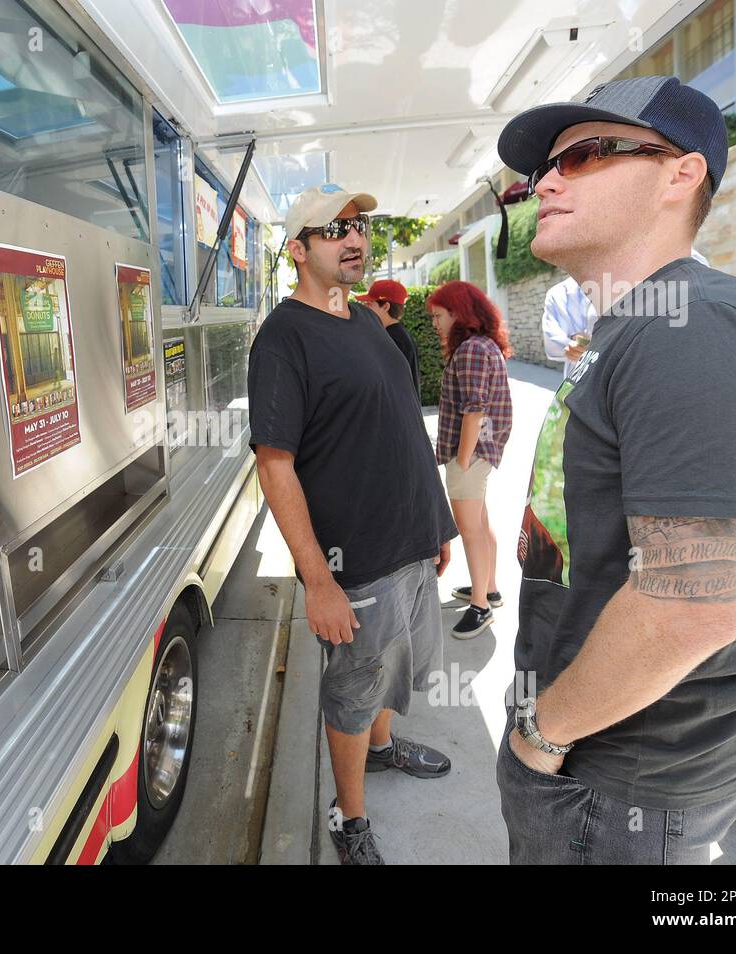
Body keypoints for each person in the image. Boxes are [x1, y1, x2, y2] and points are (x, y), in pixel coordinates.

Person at [493, 74, 736, 864]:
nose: (548, 182)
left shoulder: (696, 326)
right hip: (605, 751)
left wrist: (541, 734)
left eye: (588, 154)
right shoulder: (636, 323)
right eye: (544, 170)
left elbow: (686, 609)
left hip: (622, 775)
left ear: (682, 173)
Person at [247, 183, 457, 865]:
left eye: (359, 225)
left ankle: (384, 749)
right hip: (353, 561)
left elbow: (399, 426)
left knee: (396, 669)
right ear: (298, 249)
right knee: (354, 687)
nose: (355, 237)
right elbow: (275, 466)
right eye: (334, 228)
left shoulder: (368, 321)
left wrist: (437, 528)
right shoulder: (282, 338)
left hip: (412, 542)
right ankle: (349, 815)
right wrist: (318, 581)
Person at [429, 280, 513, 638]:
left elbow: (473, 410)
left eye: (438, 316)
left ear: (457, 313)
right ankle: (488, 589)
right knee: (479, 523)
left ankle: (480, 606)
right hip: (480, 453)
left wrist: (462, 459)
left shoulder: (471, 350)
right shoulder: (481, 346)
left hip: (471, 454)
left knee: (470, 531)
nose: (434, 323)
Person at [543, 250, 711, 377]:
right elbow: (554, 342)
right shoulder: (560, 294)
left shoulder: (672, 261)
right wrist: (572, 344)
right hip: (586, 384)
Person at [356, 279, 420, 396]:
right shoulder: (400, 335)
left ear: (385, 306)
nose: (365, 308)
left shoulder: (391, 339)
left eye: (369, 304)